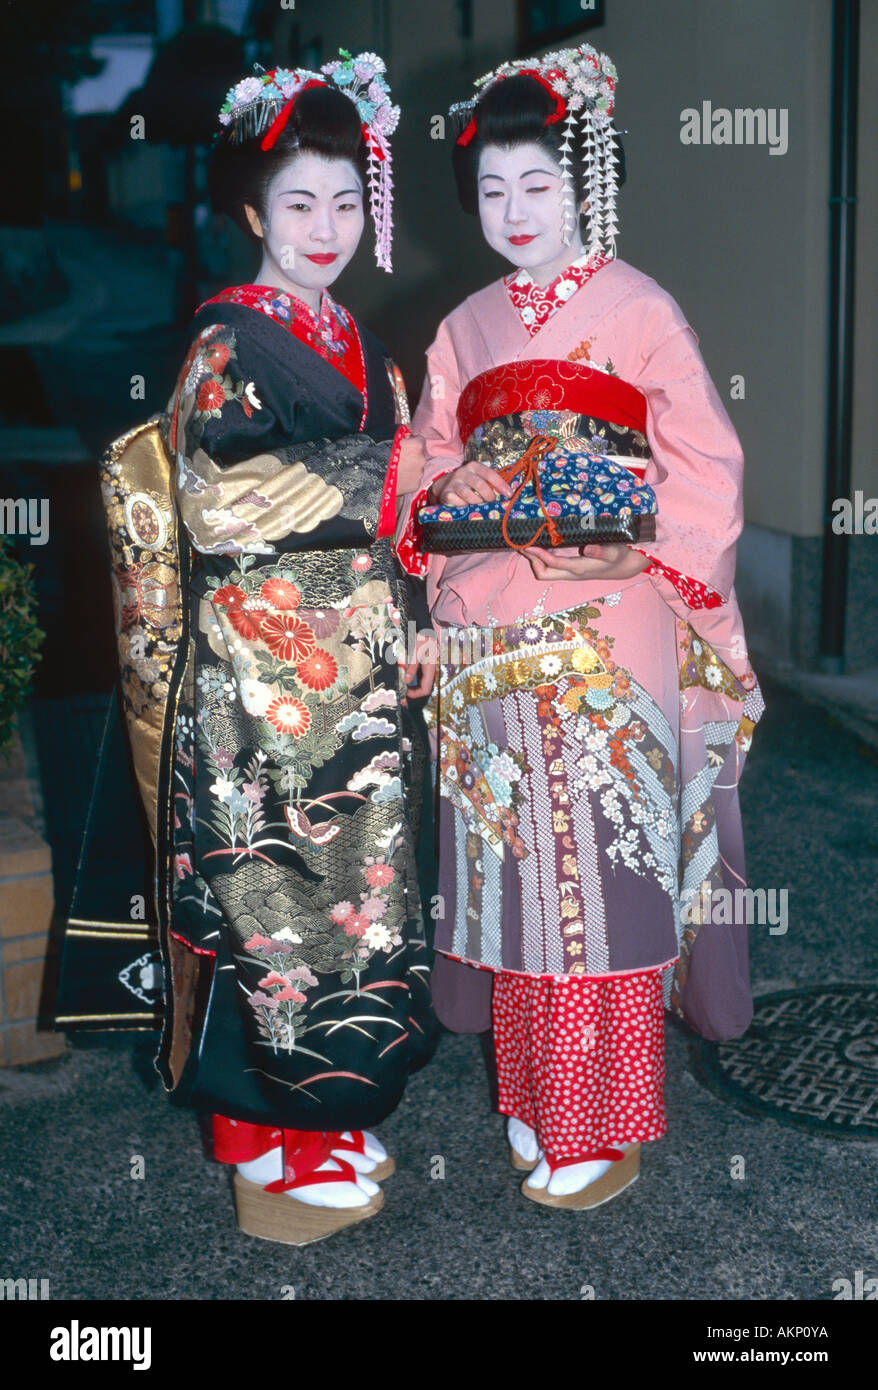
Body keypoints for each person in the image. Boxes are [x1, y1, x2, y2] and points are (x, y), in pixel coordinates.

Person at [57, 52, 438, 1246]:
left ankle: (331, 1113)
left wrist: (411, 605)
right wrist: (390, 477)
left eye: (344, 203)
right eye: (297, 206)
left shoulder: (359, 344)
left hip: (357, 680)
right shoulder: (228, 340)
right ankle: (270, 1145)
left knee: (360, 913)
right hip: (262, 679)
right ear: (250, 217)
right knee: (272, 905)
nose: (323, 230)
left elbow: (394, 516)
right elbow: (220, 507)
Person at [396, 43, 764, 1209]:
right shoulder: (460, 327)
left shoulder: (640, 309)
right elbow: (427, 464)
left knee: (602, 871)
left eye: (536, 185)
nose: (512, 212)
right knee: (514, 869)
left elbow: (705, 464)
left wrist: (634, 540)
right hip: (492, 621)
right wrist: (452, 516)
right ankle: (529, 1094)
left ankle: (599, 1116)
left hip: (612, 623)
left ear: (583, 184)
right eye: (492, 190)